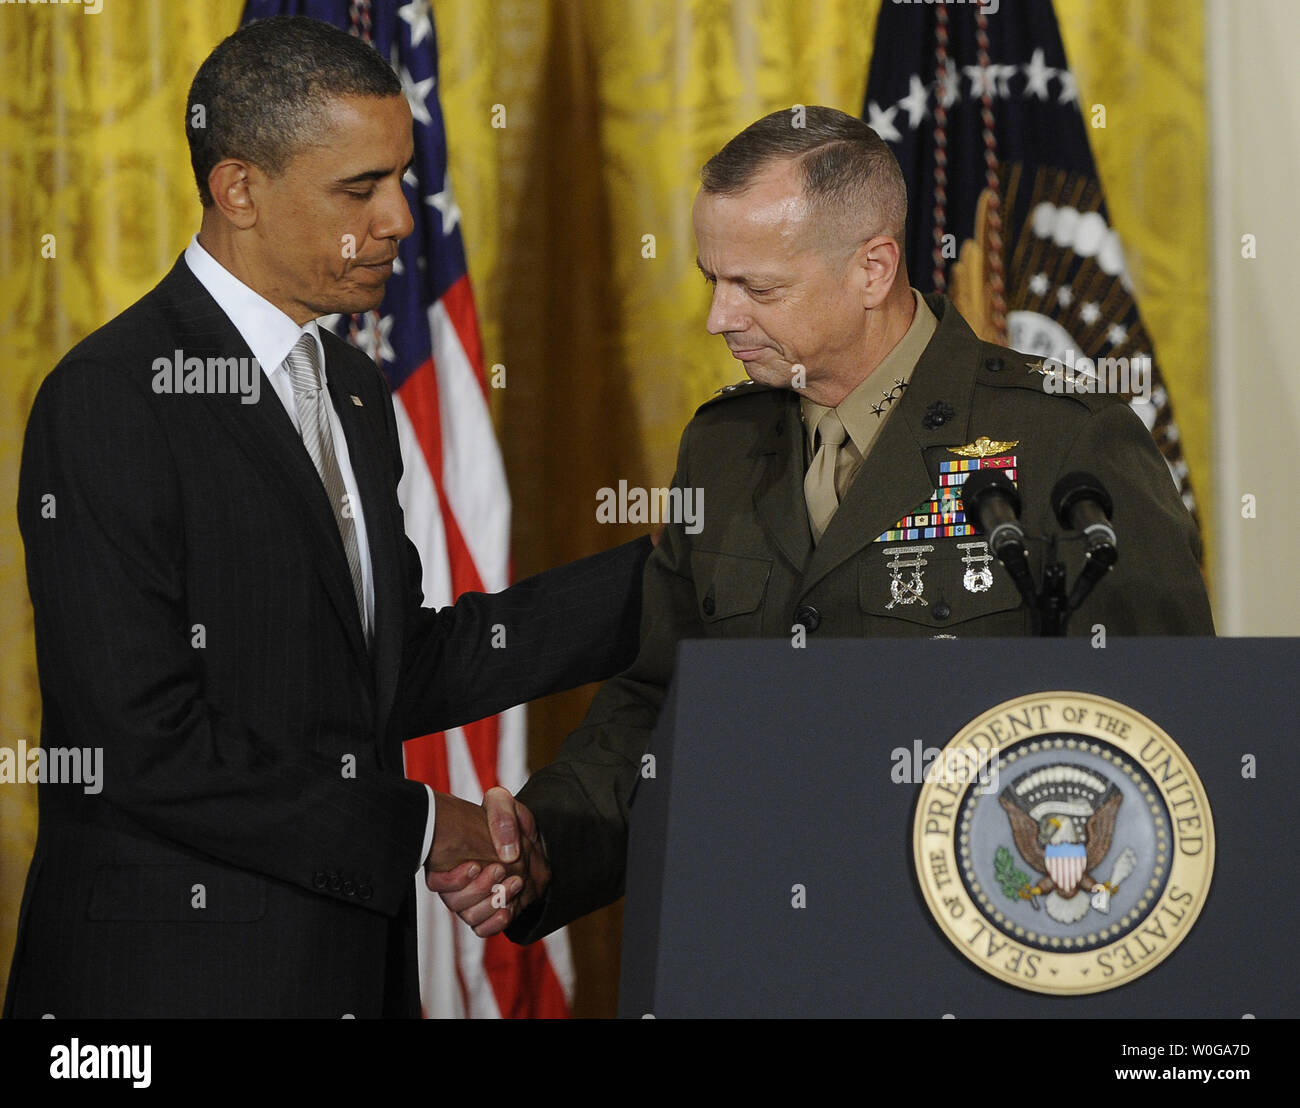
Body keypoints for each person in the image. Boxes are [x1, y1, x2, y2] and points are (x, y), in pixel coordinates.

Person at [431, 106, 1214, 943]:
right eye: (713, 280)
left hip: (984, 942)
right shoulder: (723, 447)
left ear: (874, 267)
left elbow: (1161, 731)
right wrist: (548, 841)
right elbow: (658, 696)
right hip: (756, 940)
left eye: (757, 288)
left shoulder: (1065, 435)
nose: (719, 319)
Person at [4, 16, 650, 1018]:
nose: (400, 217)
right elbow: (141, 749)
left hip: (350, 975)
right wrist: (424, 826)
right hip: (169, 989)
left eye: (402, 177)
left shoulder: (349, 385)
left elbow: (391, 669)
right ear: (240, 190)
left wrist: (680, 572)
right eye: (361, 188)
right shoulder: (111, 397)